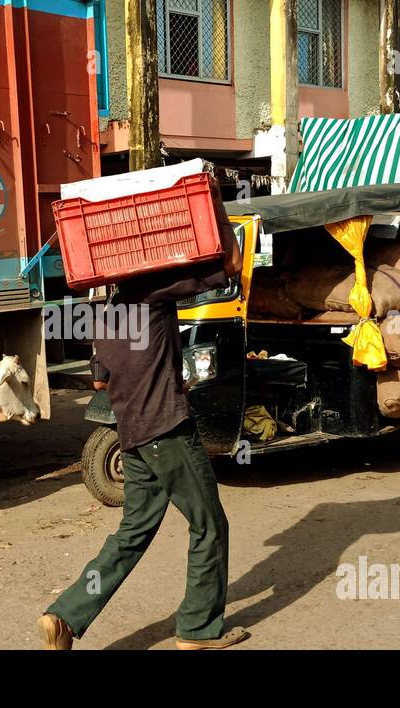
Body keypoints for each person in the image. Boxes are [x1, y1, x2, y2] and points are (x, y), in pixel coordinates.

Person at [37, 181, 248, 650]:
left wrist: (157, 366)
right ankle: (197, 629)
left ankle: (65, 615)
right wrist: (213, 200)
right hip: (165, 430)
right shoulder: (154, 290)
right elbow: (230, 264)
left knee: (132, 534)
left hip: (130, 433)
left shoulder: (109, 314)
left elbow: (100, 381)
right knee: (209, 524)